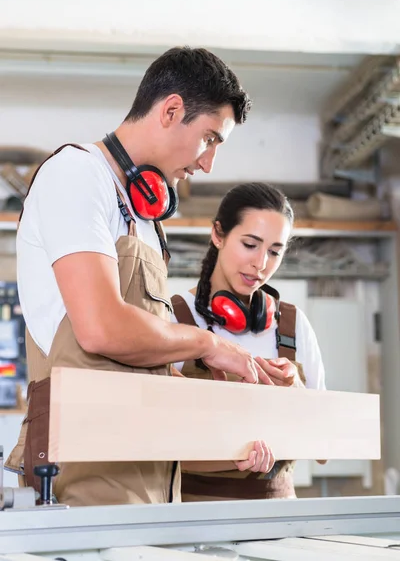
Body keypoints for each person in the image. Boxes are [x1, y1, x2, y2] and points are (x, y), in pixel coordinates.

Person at [5, 47, 275, 507]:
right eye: (210, 139)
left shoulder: (146, 220)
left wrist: (232, 446)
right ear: (171, 110)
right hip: (84, 471)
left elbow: (150, 379)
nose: (208, 164)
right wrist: (210, 343)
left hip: (148, 478)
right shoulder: (77, 175)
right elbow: (101, 328)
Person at [171, 182, 326, 502]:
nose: (261, 264)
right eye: (250, 244)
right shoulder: (173, 319)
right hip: (190, 511)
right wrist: (230, 454)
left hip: (279, 512)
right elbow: (147, 441)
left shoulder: (293, 325)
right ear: (218, 234)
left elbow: (323, 448)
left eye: (274, 251)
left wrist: (297, 391)